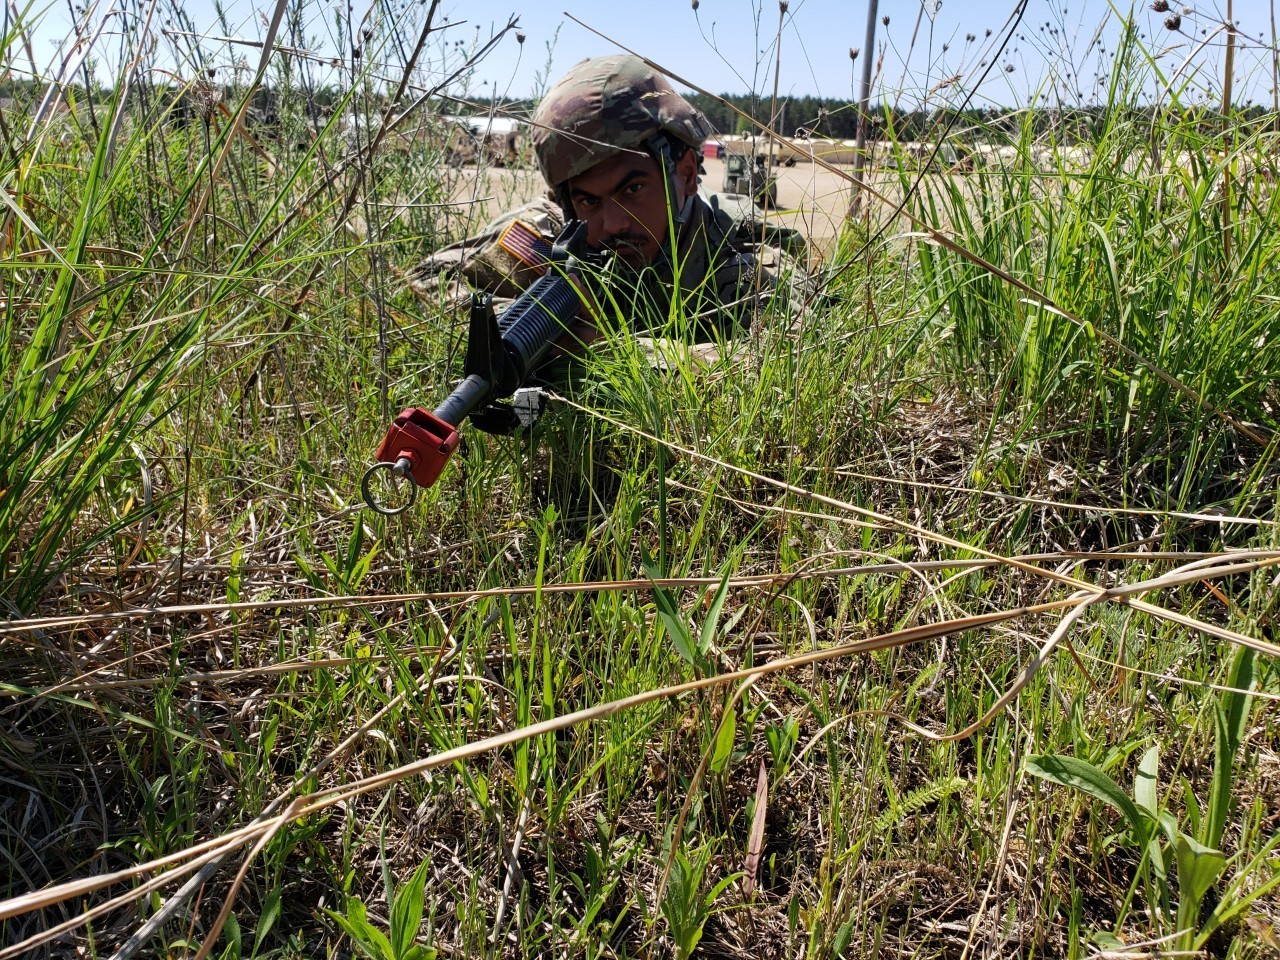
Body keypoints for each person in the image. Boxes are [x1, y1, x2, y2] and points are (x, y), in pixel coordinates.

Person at [406, 54, 806, 357]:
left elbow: (777, 364)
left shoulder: (747, 264)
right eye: (588, 199)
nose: (612, 223)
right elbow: (425, 281)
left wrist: (607, 348)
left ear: (684, 174)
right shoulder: (554, 235)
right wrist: (531, 327)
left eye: (632, 190)